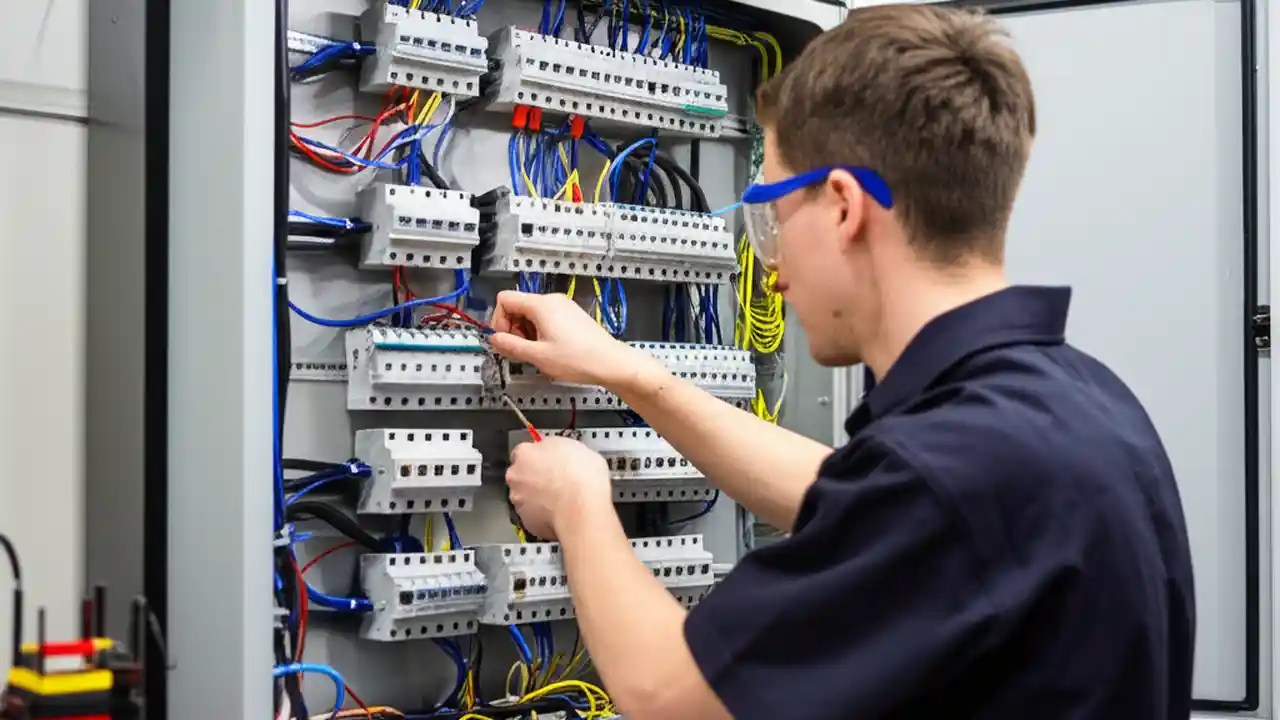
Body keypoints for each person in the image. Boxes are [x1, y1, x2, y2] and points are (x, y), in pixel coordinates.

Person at [488, 5, 1195, 719]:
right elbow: (842, 494)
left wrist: (579, 505)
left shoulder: (952, 468)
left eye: (770, 214)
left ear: (843, 209)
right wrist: (630, 373)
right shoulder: (1075, 404)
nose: (772, 270)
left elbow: (668, 697)